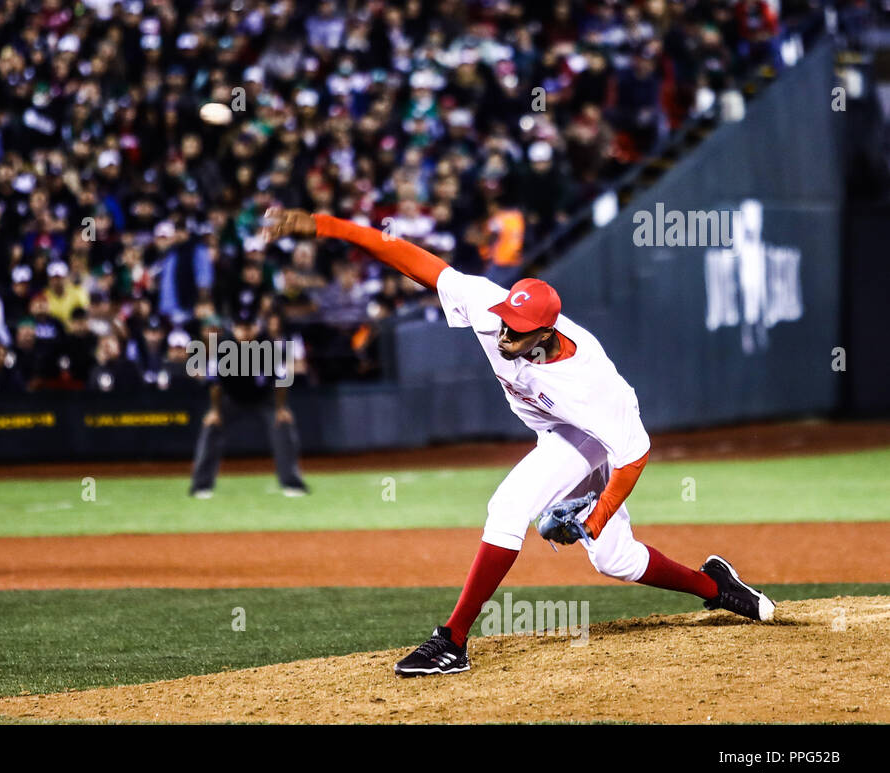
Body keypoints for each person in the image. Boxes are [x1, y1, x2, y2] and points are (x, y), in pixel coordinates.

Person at [261, 208, 774, 677]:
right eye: (507, 318)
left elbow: (634, 457)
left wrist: (590, 520)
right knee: (613, 559)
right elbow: (413, 261)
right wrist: (326, 226)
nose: (506, 331)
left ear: (547, 333)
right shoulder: (492, 310)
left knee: (507, 506)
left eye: (520, 328)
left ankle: (452, 641)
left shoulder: (593, 383)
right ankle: (716, 585)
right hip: (556, 430)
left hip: (591, 435)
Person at [188, 309, 309, 499]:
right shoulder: (224, 347)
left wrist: (281, 408)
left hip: (264, 398)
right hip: (231, 398)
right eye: (240, 328)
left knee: (283, 425)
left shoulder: (267, 346)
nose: (245, 332)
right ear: (234, 329)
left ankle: (292, 483)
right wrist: (214, 411)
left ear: (256, 327)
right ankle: (201, 486)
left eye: (249, 327)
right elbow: (215, 384)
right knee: (211, 427)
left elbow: (281, 380)